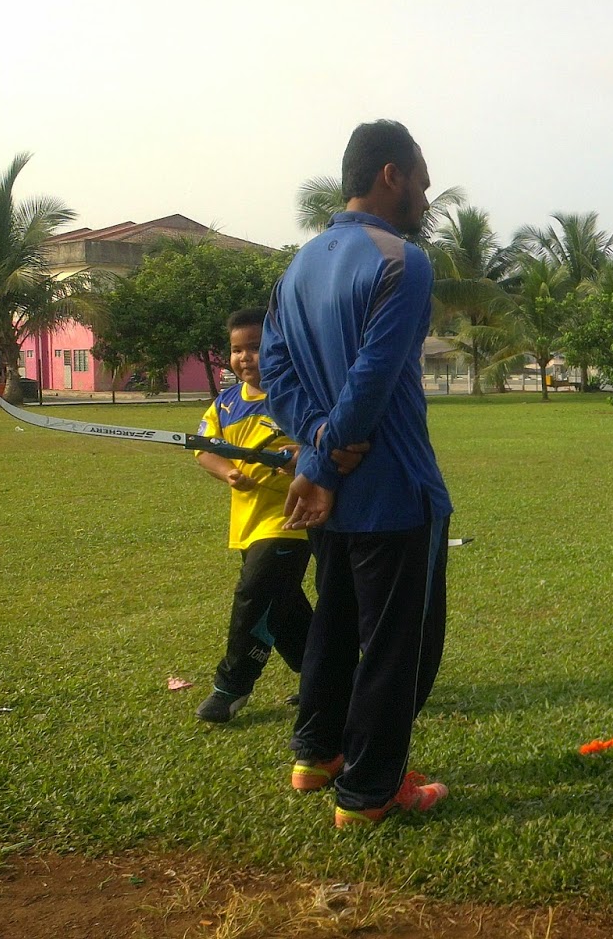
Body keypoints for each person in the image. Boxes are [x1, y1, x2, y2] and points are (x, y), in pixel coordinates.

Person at [261, 119, 453, 828]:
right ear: (391, 175)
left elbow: (275, 370)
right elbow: (372, 379)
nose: (427, 196)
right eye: (423, 181)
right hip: (395, 489)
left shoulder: (296, 267)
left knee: (335, 624)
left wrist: (315, 448)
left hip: (330, 496)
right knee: (399, 645)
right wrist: (326, 453)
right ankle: (372, 788)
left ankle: (316, 754)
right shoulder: (403, 261)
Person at [191, 308, 310, 725]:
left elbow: (323, 443)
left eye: (256, 348)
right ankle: (327, 678)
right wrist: (229, 472)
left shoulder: (298, 396)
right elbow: (204, 449)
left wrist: (301, 458)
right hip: (247, 524)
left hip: (292, 521)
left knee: (255, 594)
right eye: (238, 349)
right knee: (287, 607)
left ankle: (232, 686)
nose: (246, 358)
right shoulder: (224, 404)